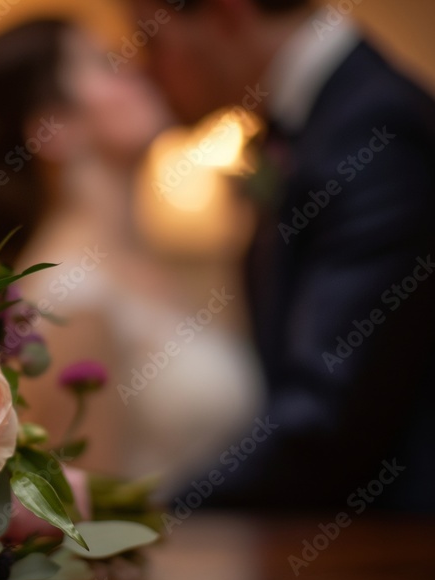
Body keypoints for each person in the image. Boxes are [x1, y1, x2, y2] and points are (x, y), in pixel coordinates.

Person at [0, 19, 261, 482]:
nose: (140, 70)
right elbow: (87, 526)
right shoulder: (68, 301)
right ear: (55, 127)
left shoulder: (158, 264)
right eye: (108, 64)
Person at [130, 0, 435, 509]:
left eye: (152, 40)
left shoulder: (375, 127)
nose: (145, 67)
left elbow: (329, 416)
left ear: (227, 14)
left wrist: (144, 514)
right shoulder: (320, 119)